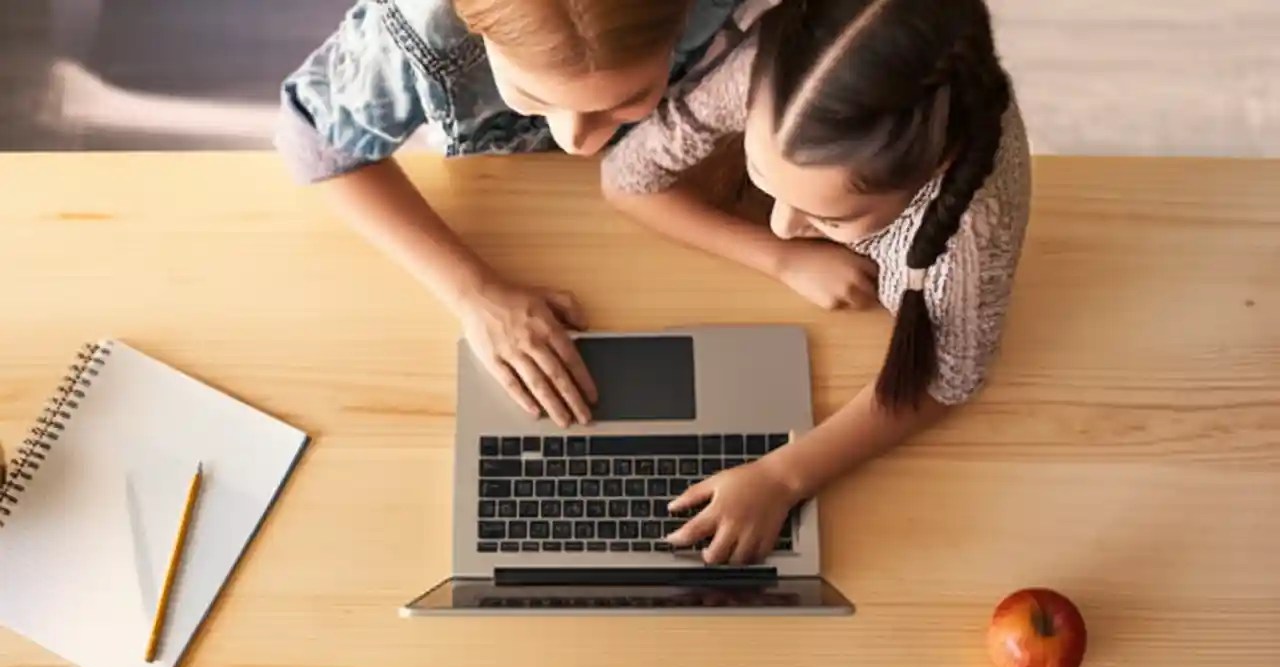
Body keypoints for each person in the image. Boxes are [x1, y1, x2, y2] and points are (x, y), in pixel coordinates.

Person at [602, 0, 1031, 565]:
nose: (783, 224)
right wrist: (782, 259)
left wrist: (784, 477)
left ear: (927, 174)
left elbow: (947, 378)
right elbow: (627, 177)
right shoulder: (768, 78)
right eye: (762, 176)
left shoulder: (972, 232)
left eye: (830, 219)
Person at [276, 0, 755, 428]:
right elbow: (315, 142)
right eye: (535, 98)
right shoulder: (423, 22)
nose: (578, 143)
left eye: (627, 100)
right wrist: (472, 291)